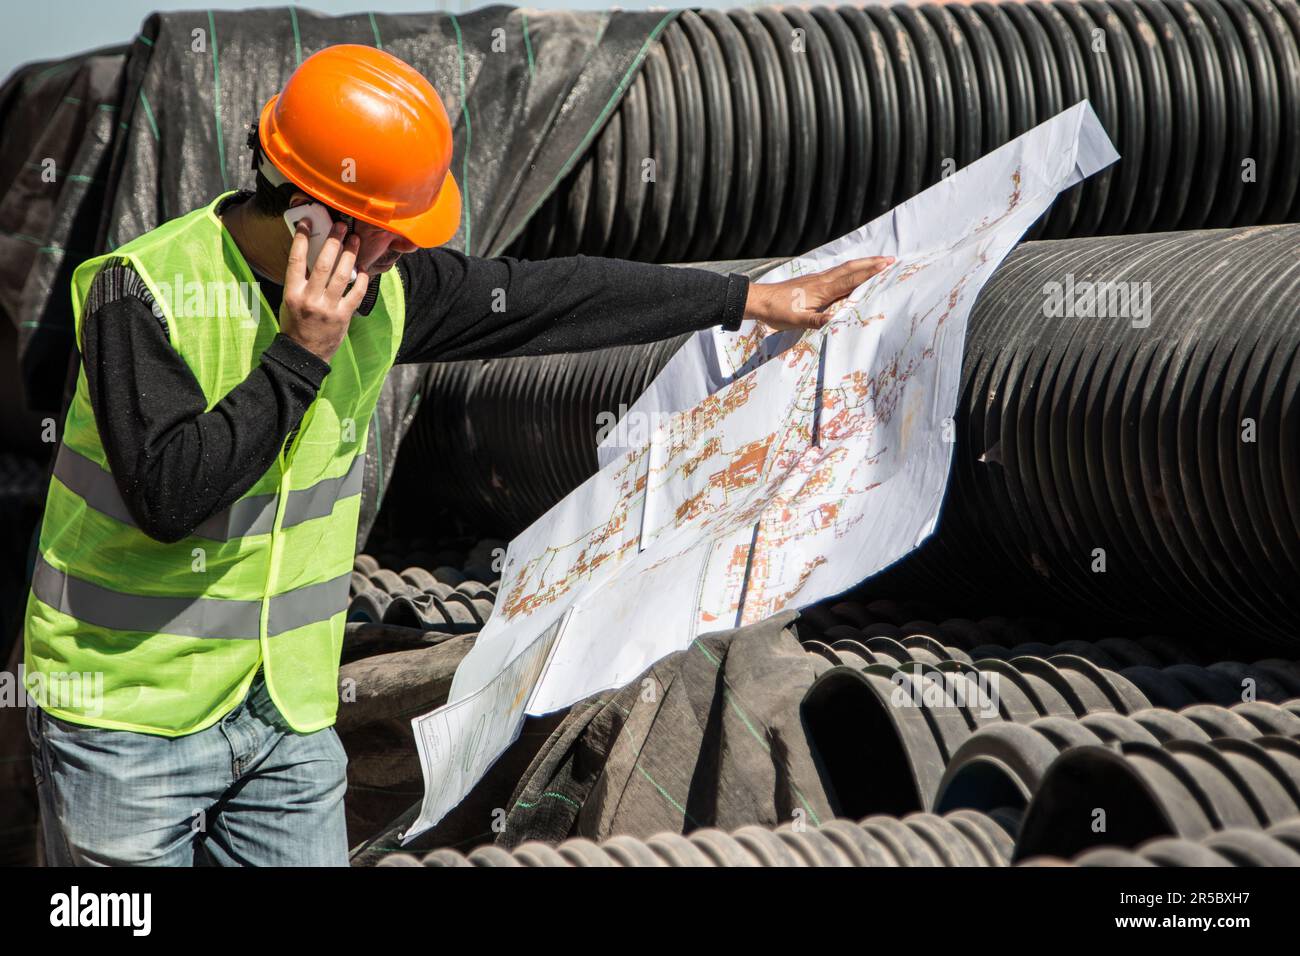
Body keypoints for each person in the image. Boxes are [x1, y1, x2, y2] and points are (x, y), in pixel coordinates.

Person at [23, 44, 892, 866]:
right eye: (390, 232)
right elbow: (171, 495)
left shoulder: (384, 291)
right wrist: (298, 358)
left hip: (282, 712)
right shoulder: (141, 291)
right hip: (127, 719)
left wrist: (747, 297)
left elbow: (553, 296)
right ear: (308, 213)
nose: (407, 252)